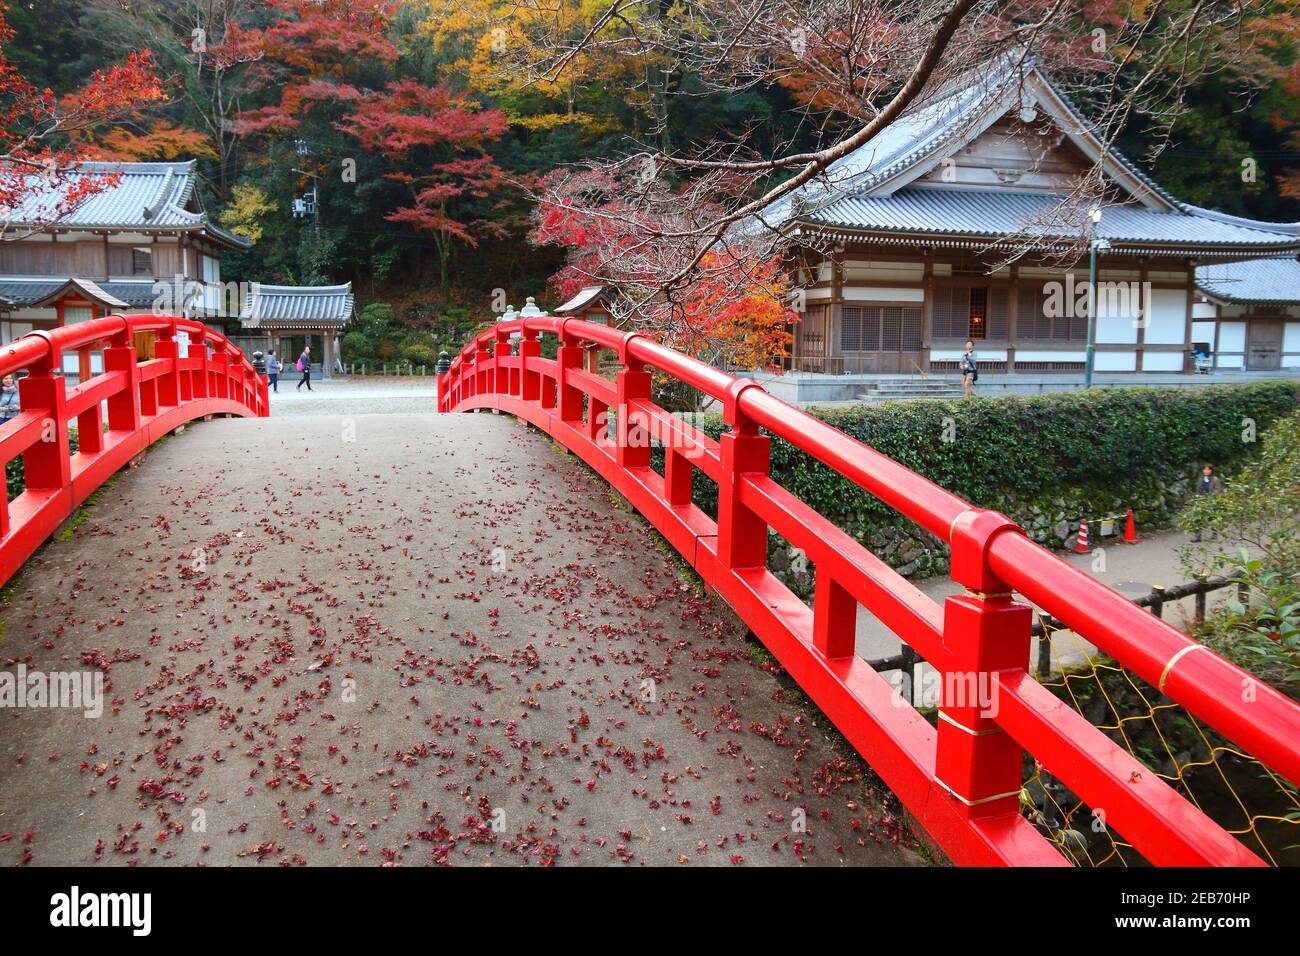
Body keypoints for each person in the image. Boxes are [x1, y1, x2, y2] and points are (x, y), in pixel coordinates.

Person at [1190, 463, 1221, 542]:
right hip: (1201, 501)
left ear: (1211, 470)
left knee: (1212, 518)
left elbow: (1217, 490)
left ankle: (1214, 534)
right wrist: (1197, 498)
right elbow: (1198, 490)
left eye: (1208, 469)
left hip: (1211, 501)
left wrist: (1210, 497)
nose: (1206, 471)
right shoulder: (1201, 479)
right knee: (1197, 518)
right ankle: (1198, 537)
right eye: (1205, 469)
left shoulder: (1215, 479)